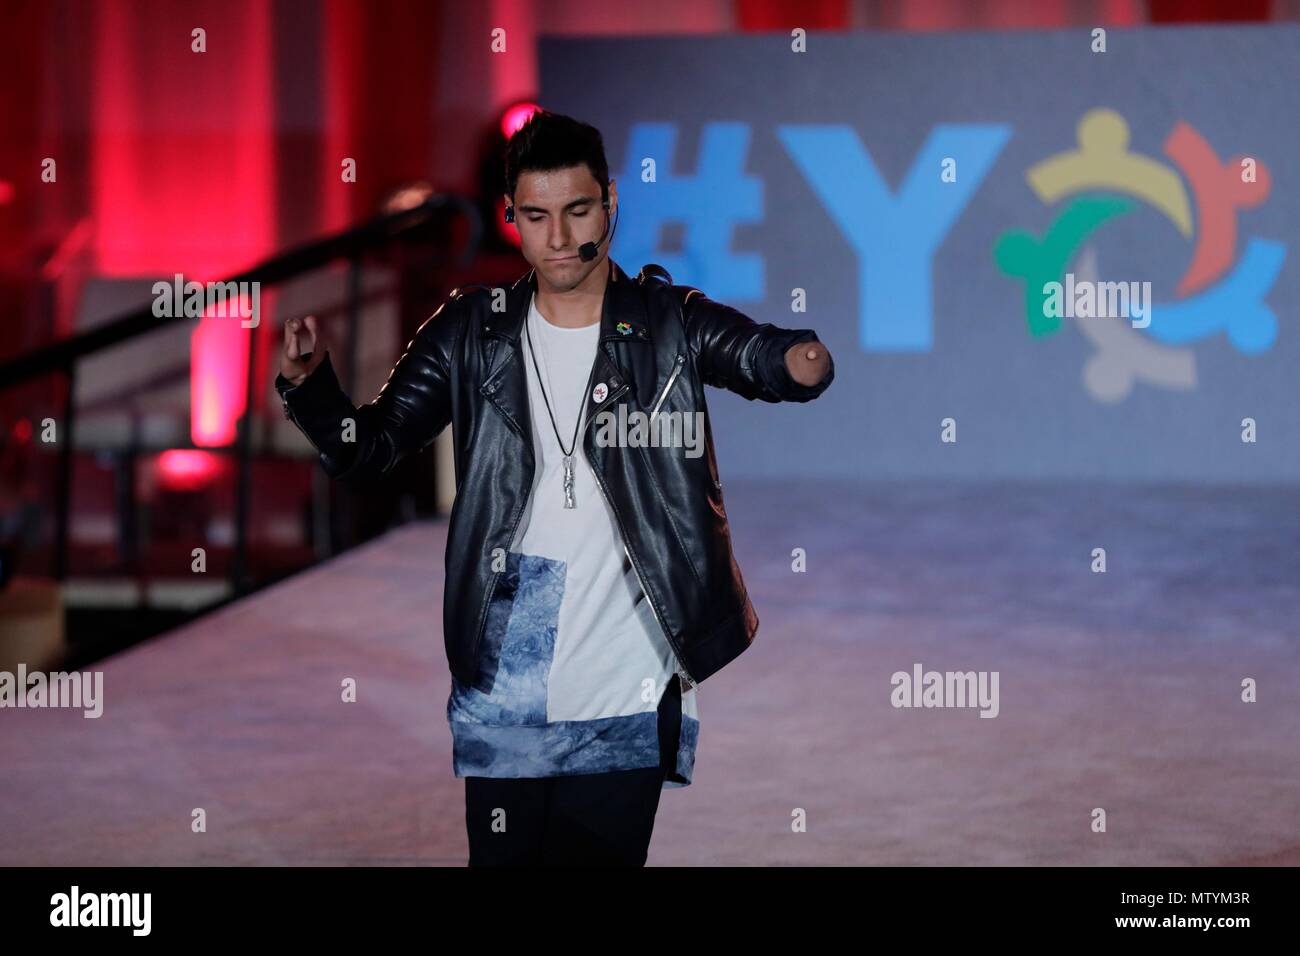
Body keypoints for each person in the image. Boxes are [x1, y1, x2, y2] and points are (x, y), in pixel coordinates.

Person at [276, 109, 834, 866]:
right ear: (512, 219)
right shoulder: (473, 330)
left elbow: (757, 356)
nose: (561, 237)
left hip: (626, 673)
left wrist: (801, 361)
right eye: (537, 217)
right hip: (510, 658)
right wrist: (312, 390)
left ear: (609, 201)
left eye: (577, 211)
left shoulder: (666, 321)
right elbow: (372, 447)